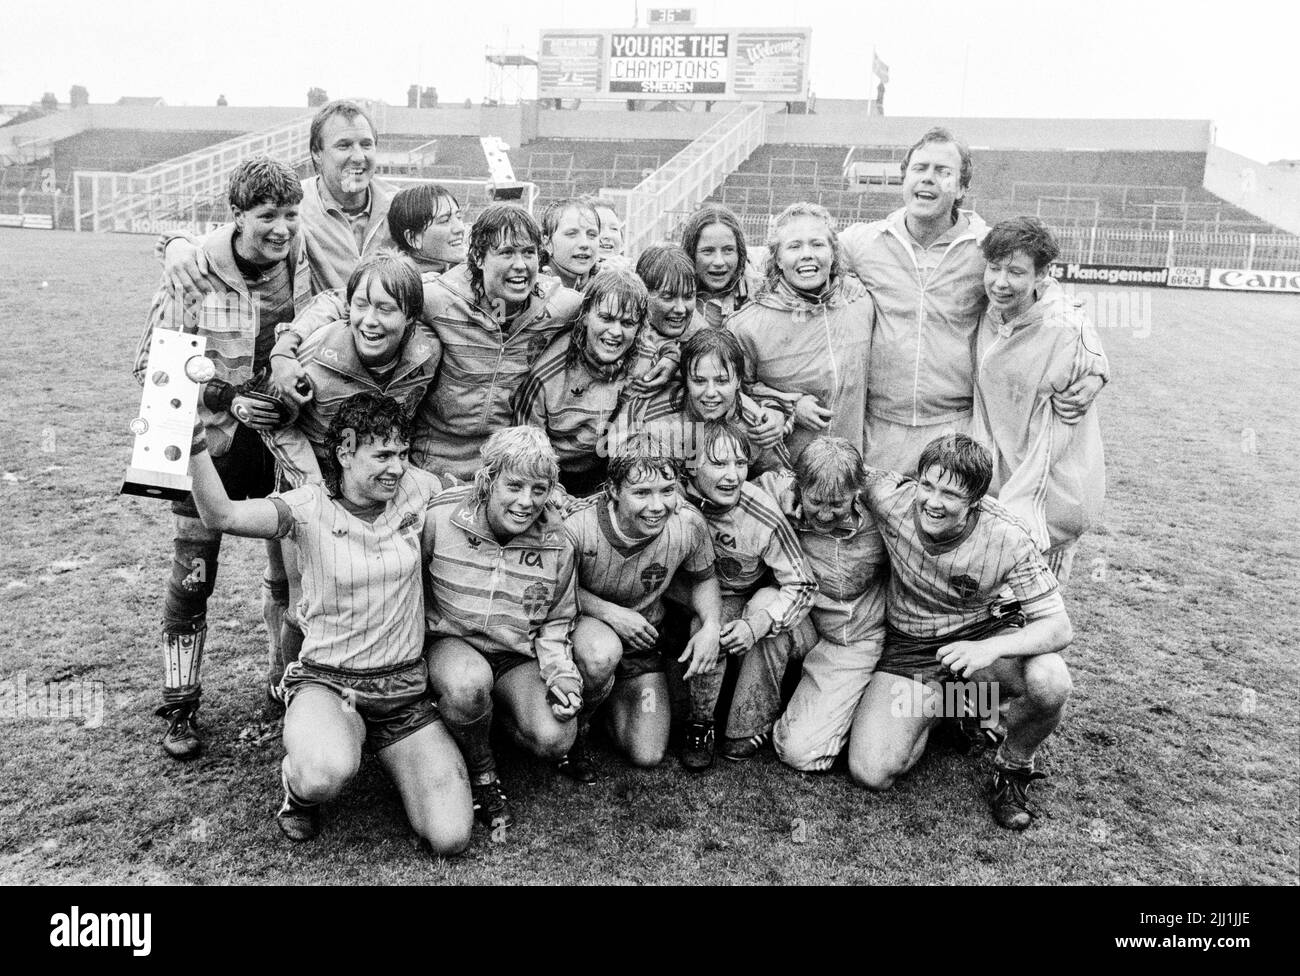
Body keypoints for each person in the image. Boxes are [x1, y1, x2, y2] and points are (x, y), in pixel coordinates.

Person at [186, 393, 471, 854]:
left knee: (451, 837)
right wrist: (196, 446)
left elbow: (480, 495)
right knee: (324, 774)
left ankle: (382, 747)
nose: (396, 467)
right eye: (381, 455)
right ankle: (298, 792)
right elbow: (222, 515)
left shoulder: (420, 487)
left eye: (401, 453)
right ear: (345, 453)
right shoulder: (306, 507)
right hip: (330, 682)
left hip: (403, 692)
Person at [131, 155, 313, 759]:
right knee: (193, 575)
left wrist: (280, 394)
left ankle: (284, 680)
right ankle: (179, 706)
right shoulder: (195, 269)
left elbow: (308, 333)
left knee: (290, 569)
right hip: (201, 440)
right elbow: (152, 371)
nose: (282, 227)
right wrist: (228, 398)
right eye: (267, 216)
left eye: (290, 213)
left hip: (272, 437)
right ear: (237, 216)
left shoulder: (299, 258)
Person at [837, 127, 1103, 474]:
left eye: (942, 172)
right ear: (904, 178)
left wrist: (1096, 366)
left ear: (962, 188)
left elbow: (1056, 303)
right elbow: (791, 261)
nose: (928, 179)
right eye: (920, 168)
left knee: (946, 526)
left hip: (957, 426)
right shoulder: (862, 242)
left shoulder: (987, 248)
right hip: (879, 427)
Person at [852, 434, 1075, 830]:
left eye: (950, 494)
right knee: (873, 772)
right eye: (927, 485)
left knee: (1050, 681)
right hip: (912, 646)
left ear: (975, 500)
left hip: (981, 639)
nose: (932, 502)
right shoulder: (891, 496)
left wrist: (991, 648)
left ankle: (1013, 768)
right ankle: (959, 707)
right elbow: (835, 466)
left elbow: (1058, 626)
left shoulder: (1007, 535)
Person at [261, 254, 441, 689]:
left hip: (376, 484)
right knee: (304, 599)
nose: (370, 320)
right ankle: (290, 685)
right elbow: (273, 425)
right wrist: (312, 483)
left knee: (375, 584)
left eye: (386, 309)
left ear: (412, 317)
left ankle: (373, 681)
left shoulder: (426, 353)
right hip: (313, 480)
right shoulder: (315, 355)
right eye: (361, 305)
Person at [424, 426, 585, 832]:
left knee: (556, 738)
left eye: (539, 488)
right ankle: (482, 771)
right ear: (488, 479)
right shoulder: (439, 518)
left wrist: (562, 676)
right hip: (453, 644)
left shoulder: (558, 541)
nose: (526, 501)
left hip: (516, 655)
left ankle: (483, 726)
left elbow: (556, 619)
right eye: (514, 485)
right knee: (466, 683)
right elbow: (411, 588)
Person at [562, 439, 721, 776]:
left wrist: (711, 626)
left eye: (667, 490)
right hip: (584, 633)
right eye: (642, 492)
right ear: (614, 490)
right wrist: (611, 614)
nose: (657, 505)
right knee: (599, 653)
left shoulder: (688, 524)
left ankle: (607, 702)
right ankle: (579, 729)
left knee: (647, 752)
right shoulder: (578, 526)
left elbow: (703, 579)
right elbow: (556, 590)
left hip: (642, 645)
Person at [669, 421, 816, 769]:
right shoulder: (670, 496)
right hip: (672, 597)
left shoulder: (761, 514)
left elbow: (803, 584)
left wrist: (759, 623)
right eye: (719, 463)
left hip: (734, 598)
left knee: (714, 629)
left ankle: (713, 726)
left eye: (740, 463)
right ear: (691, 467)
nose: (732, 475)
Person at [971, 217, 1108, 583]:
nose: (1000, 282)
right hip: (1004, 495)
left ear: (1042, 275)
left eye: (1015, 272)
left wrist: (1019, 513)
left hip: (1048, 504)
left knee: (1035, 620)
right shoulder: (989, 315)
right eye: (994, 268)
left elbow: (1054, 440)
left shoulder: (1064, 328)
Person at [158, 100, 396, 298]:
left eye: (366, 145)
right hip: (320, 345)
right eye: (344, 146)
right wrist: (176, 245)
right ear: (316, 153)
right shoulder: (293, 204)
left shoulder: (400, 206)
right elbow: (230, 236)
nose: (358, 156)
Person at [418, 204, 583, 479]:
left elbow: (617, 315)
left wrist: (670, 354)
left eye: (528, 253)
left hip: (505, 466)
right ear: (478, 258)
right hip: (435, 462)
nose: (520, 265)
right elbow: (352, 300)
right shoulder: (438, 299)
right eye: (506, 252)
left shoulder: (559, 305)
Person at [757, 437, 890, 774]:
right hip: (807, 622)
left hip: (854, 639)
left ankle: (865, 707)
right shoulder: (782, 491)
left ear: (857, 492)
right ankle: (749, 725)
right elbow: (741, 489)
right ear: (800, 486)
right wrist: (786, 495)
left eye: (837, 504)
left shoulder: (884, 512)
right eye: (816, 502)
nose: (826, 514)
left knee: (799, 752)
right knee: (764, 604)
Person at [729, 202, 874, 462]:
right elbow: (729, 393)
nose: (807, 254)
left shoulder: (860, 303)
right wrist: (789, 405)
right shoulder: (745, 326)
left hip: (849, 475)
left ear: (833, 253)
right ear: (777, 258)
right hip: (783, 476)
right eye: (794, 246)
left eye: (817, 244)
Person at [513, 269, 648, 496]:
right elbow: (526, 448)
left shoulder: (645, 362)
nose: (615, 332)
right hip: (550, 470)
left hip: (603, 469)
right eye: (606, 318)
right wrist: (552, 490)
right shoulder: (546, 374)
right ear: (585, 315)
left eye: (627, 323)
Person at [618, 328, 789, 478]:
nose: (711, 393)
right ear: (685, 381)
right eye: (699, 381)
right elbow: (622, 476)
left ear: (738, 381)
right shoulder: (652, 416)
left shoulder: (755, 423)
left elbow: (783, 475)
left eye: (722, 381)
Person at [624, 244, 706, 398]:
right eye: (668, 297)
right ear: (642, 293)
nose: (681, 309)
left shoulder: (701, 334)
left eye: (688, 296)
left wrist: (678, 360)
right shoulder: (621, 327)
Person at [680, 205, 763, 329]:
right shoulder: (673, 298)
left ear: (740, 253)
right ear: (691, 253)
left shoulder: (760, 296)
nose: (719, 262)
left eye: (728, 250)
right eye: (707, 251)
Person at [386, 182, 467, 277]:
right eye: (444, 220)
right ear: (413, 238)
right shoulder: (410, 287)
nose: (460, 228)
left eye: (459, 217)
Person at [539, 198, 600, 291]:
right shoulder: (530, 291)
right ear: (547, 243)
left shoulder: (607, 290)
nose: (585, 243)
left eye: (592, 235)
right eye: (572, 234)